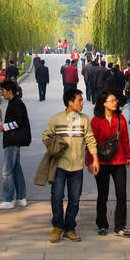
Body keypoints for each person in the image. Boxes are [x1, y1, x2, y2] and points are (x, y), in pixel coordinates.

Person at [39, 88, 100, 242]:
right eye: (79, 100)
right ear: (70, 102)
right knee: (57, 196)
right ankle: (57, 226)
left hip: (77, 166)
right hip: (60, 165)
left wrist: (95, 159)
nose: (82, 103)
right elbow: (46, 135)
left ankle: (70, 228)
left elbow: (90, 140)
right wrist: (53, 145)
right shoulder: (56, 119)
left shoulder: (84, 119)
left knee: (74, 199)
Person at [88, 89, 130, 237]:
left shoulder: (120, 119)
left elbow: (124, 139)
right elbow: (91, 142)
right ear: (103, 103)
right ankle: (102, 224)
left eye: (115, 101)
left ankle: (120, 226)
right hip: (101, 161)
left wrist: (128, 156)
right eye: (111, 101)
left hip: (118, 161)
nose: (115, 103)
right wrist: (90, 161)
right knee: (103, 194)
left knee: (121, 194)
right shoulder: (96, 121)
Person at [0, 79, 30, 209]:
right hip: (13, 140)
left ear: (9, 91)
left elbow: (19, 122)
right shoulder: (14, 102)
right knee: (16, 169)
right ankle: (21, 197)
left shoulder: (16, 103)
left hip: (12, 141)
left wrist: (3, 127)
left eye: (3, 91)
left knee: (7, 171)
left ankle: (8, 199)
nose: (2, 94)